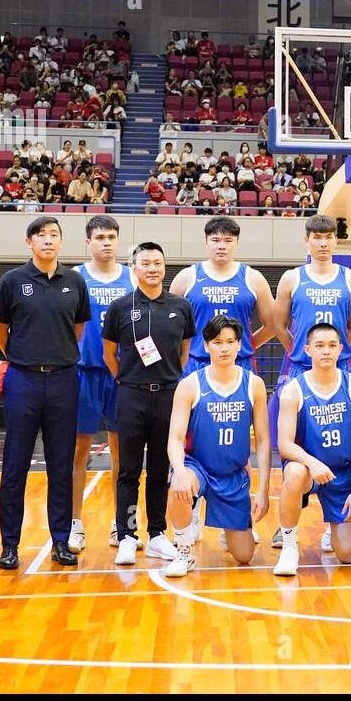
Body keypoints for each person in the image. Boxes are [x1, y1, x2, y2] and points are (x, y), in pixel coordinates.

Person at [0, 216, 91, 570]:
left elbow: (78, 328)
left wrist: (55, 355)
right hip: (23, 380)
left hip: (64, 379)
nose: (48, 240)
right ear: (29, 242)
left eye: (54, 235)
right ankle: (9, 545)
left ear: (61, 242)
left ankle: (61, 542)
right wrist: (24, 356)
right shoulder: (12, 281)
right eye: (41, 235)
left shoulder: (75, 281)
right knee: (15, 465)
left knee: (61, 465)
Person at [103, 242, 196, 566]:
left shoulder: (181, 307)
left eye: (158, 262)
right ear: (134, 268)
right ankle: (128, 535)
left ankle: (157, 534)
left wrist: (169, 379)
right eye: (146, 263)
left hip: (168, 396)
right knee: (128, 470)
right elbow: (108, 354)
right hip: (130, 395)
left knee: (160, 469)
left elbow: (184, 352)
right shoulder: (119, 308)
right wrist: (128, 380)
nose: (153, 268)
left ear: (164, 267)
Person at [163, 316, 271, 576]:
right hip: (197, 466)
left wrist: (264, 490)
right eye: (218, 342)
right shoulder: (190, 384)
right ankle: (183, 549)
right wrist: (178, 471)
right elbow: (176, 438)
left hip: (233, 474)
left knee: (244, 556)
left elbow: (265, 439)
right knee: (180, 484)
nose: (224, 348)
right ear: (206, 345)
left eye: (230, 342)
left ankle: (229, 525)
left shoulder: (253, 383)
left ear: (239, 345)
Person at [273, 324, 351, 577]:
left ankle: (335, 523)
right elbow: (284, 444)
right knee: (294, 472)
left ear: (340, 349)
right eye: (319, 346)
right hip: (309, 470)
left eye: (331, 346)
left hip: (343, 473)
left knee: (348, 555)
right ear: (307, 350)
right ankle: (289, 544)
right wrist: (312, 463)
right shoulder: (294, 390)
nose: (326, 351)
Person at [72, 215, 135, 552]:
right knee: (78, 451)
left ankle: (121, 524)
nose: (106, 242)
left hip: (122, 376)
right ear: (88, 242)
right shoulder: (75, 278)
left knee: (121, 454)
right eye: (100, 237)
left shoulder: (131, 278)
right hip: (83, 374)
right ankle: (74, 524)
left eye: (112, 236)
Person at [170, 216, 278, 377]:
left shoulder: (253, 278)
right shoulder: (186, 277)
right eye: (215, 240)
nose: (222, 246)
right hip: (198, 362)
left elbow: (272, 325)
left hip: (240, 362)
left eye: (228, 240)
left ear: (237, 242)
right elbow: (171, 327)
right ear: (206, 242)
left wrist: (244, 344)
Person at [274, 214, 351, 377]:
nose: (323, 243)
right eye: (317, 237)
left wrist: (333, 352)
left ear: (336, 240)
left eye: (328, 237)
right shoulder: (291, 278)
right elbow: (279, 326)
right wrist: (300, 351)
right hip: (302, 367)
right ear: (306, 240)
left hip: (338, 366)